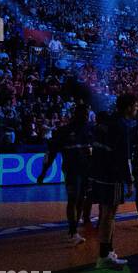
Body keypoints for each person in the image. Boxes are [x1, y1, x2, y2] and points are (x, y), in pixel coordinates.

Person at [87, 93, 138, 269]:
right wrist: (129, 181)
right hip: (112, 175)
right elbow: (124, 157)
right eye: (136, 106)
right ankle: (104, 255)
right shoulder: (122, 126)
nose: (137, 109)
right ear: (129, 107)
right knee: (110, 215)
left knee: (106, 213)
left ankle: (107, 251)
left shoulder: (107, 122)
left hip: (100, 172)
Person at [39, 100, 94, 245]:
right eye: (84, 113)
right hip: (71, 170)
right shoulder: (64, 131)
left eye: (88, 113)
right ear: (76, 114)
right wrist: (44, 172)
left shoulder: (90, 129)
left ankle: (75, 227)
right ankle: (72, 232)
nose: (87, 116)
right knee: (73, 198)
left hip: (87, 171)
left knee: (81, 199)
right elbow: (51, 153)